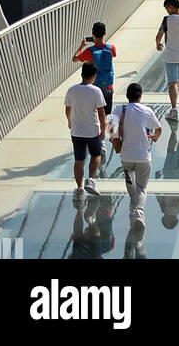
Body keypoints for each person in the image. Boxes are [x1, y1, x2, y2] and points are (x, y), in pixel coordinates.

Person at [109, 83, 162, 227]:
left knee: (131, 186)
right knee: (142, 188)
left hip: (126, 157)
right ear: (140, 96)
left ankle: (133, 211)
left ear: (127, 96)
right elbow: (158, 128)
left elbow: (111, 127)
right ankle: (139, 211)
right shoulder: (147, 110)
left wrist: (115, 138)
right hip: (144, 157)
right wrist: (155, 138)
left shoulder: (120, 109)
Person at [65, 62, 107, 199]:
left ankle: (79, 188)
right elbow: (101, 112)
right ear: (94, 76)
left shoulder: (72, 90)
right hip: (92, 130)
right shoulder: (96, 91)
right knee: (96, 154)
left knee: (79, 160)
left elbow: (68, 109)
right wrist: (103, 128)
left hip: (77, 131)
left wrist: (70, 121)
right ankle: (91, 180)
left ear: (82, 74)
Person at [71, 22, 117, 119]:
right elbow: (113, 55)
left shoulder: (89, 51)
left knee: (95, 115)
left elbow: (74, 59)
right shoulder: (111, 48)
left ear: (92, 34)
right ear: (105, 33)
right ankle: (105, 133)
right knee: (106, 116)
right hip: (108, 86)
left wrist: (82, 46)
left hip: (95, 87)